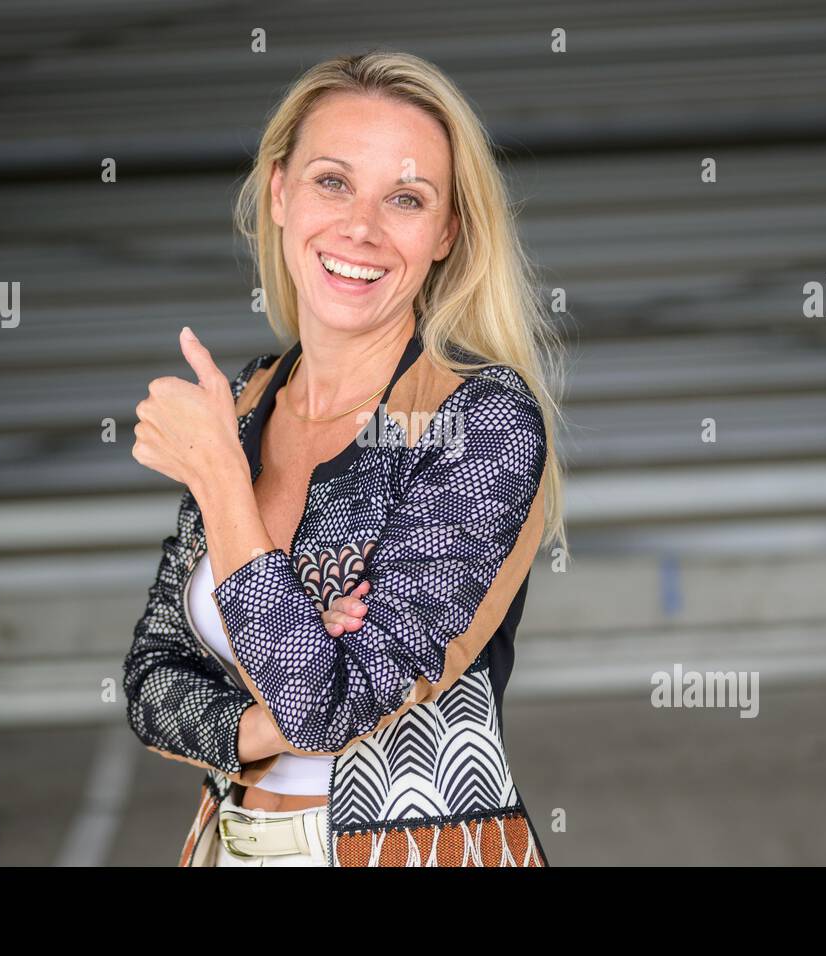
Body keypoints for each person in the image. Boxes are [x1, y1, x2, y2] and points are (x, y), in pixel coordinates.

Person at [124, 49, 568, 867]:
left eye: (406, 198)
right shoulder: (248, 402)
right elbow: (153, 678)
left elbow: (326, 708)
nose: (360, 228)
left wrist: (223, 480)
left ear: (445, 235)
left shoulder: (478, 422)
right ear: (281, 194)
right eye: (333, 181)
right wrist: (268, 712)